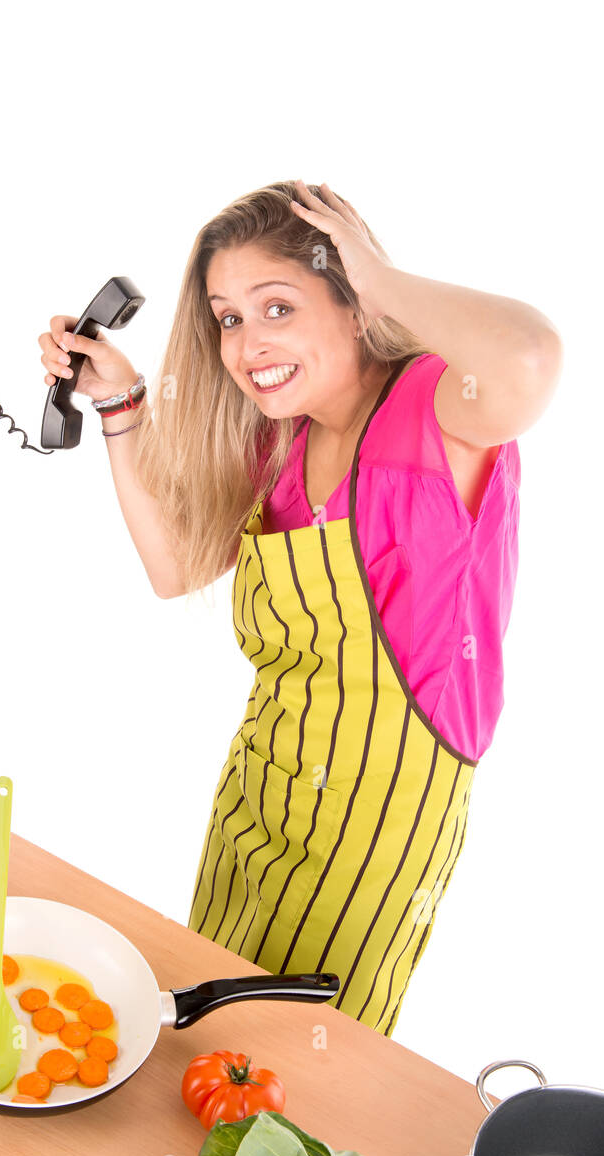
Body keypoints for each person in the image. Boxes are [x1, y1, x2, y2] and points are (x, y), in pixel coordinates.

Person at [38, 178, 562, 1037]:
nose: (245, 344)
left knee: (302, 1061)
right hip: (259, 792)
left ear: (352, 303)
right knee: (200, 1027)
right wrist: (120, 404)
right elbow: (172, 568)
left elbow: (531, 356)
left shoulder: (437, 409)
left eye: (276, 307)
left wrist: (379, 276)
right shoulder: (279, 439)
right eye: (228, 318)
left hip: (376, 826)